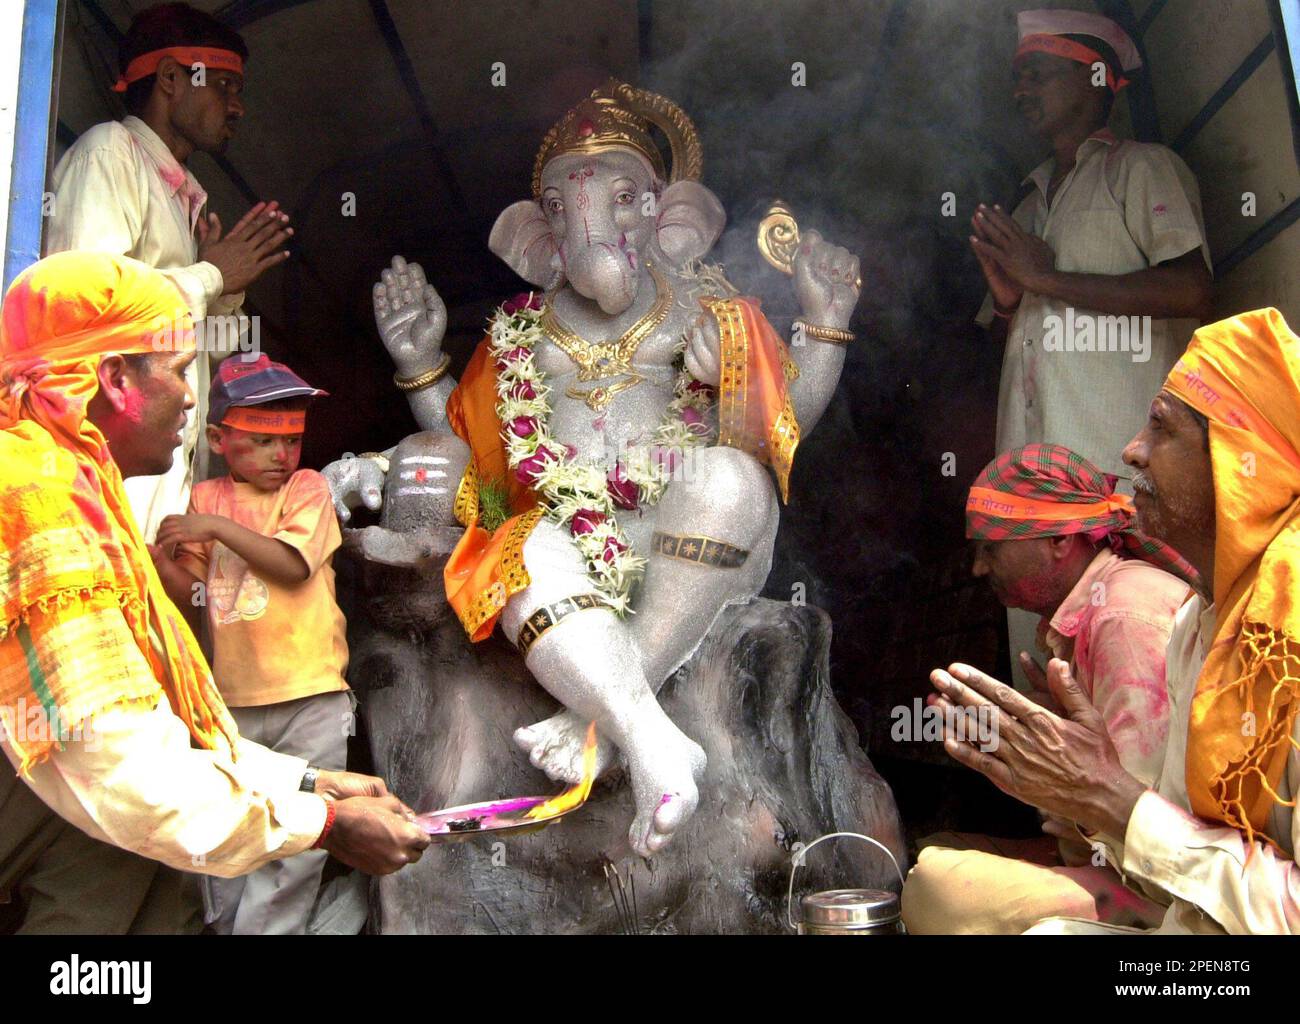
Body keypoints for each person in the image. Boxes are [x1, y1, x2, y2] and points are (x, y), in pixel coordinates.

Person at [0, 252, 427, 935]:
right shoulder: (35, 497)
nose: (193, 396)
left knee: (158, 865)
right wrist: (324, 824)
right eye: (176, 370)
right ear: (116, 381)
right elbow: (116, 757)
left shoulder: (81, 488)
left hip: (53, 782)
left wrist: (306, 783)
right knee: (134, 835)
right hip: (38, 782)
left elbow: (152, 724)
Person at [920, 308, 1300, 935]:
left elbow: (1160, 852)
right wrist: (1076, 788)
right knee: (941, 884)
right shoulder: (1201, 628)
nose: (1131, 452)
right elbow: (1167, 852)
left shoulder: (1140, 614)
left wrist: (1104, 798)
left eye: (1160, 428)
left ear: (1239, 455)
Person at [971, 8, 1213, 688]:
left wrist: (1046, 278)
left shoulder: (1144, 171)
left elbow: (1191, 289)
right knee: (1049, 671)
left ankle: (1143, 798)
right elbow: (1000, 335)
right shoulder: (1027, 207)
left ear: (1099, 76)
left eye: (1037, 74)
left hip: (1118, 469)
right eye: (1017, 79)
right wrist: (1015, 300)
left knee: (1142, 659)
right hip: (1035, 493)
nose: (1021, 92)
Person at [902, 443, 1194, 933]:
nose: (978, 568)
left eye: (990, 548)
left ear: (1059, 537)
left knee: (939, 886)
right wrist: (1032, 750)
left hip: (1174, 895)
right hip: (1129, 867)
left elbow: (1151, 838)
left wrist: (1049, 771)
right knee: (939, 850)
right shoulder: (1093, 615)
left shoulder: (1122, 617)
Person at [45, 2, 293, 541]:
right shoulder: (109, 155)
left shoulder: (180, 199)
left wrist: (225, 296)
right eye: (224, 86)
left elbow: (192, 350)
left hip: (163, 490)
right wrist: (208, 276)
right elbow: (85, 315)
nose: (238, 107)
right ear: (172, 79)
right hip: (106, 480)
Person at [152, 355, 351, 934]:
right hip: (231, 702)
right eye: (262, 441)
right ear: (217, 438)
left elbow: (291, 566)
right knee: (232, 828)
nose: (280, 455)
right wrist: (153, 560)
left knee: (300, 836)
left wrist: (213, 532)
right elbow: (198, 598)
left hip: (311, 696)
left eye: (291, 439)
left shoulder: (308, 489)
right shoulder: (205, 499)